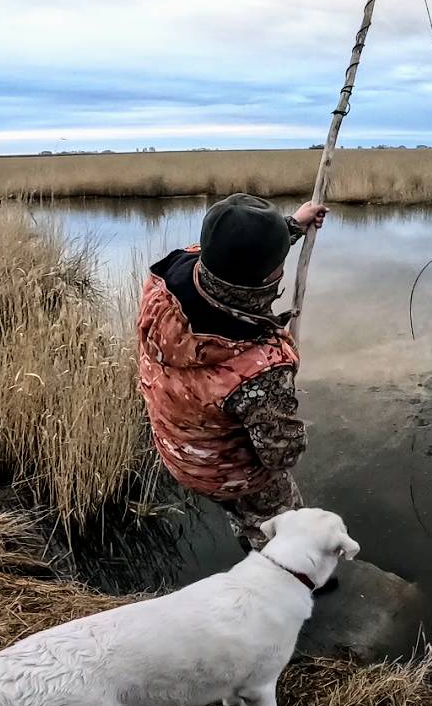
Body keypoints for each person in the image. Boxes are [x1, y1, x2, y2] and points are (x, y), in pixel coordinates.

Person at [135, 193, 328, 551]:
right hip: (226, 473)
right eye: (279, 264)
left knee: (242, 511)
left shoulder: (163, 286)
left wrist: (292, 227)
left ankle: (246, 529)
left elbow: (233, 256)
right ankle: (292, 577)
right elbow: (281, 455)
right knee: (281, 526)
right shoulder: (259, 366)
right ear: (271, 276)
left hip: (179, 451)